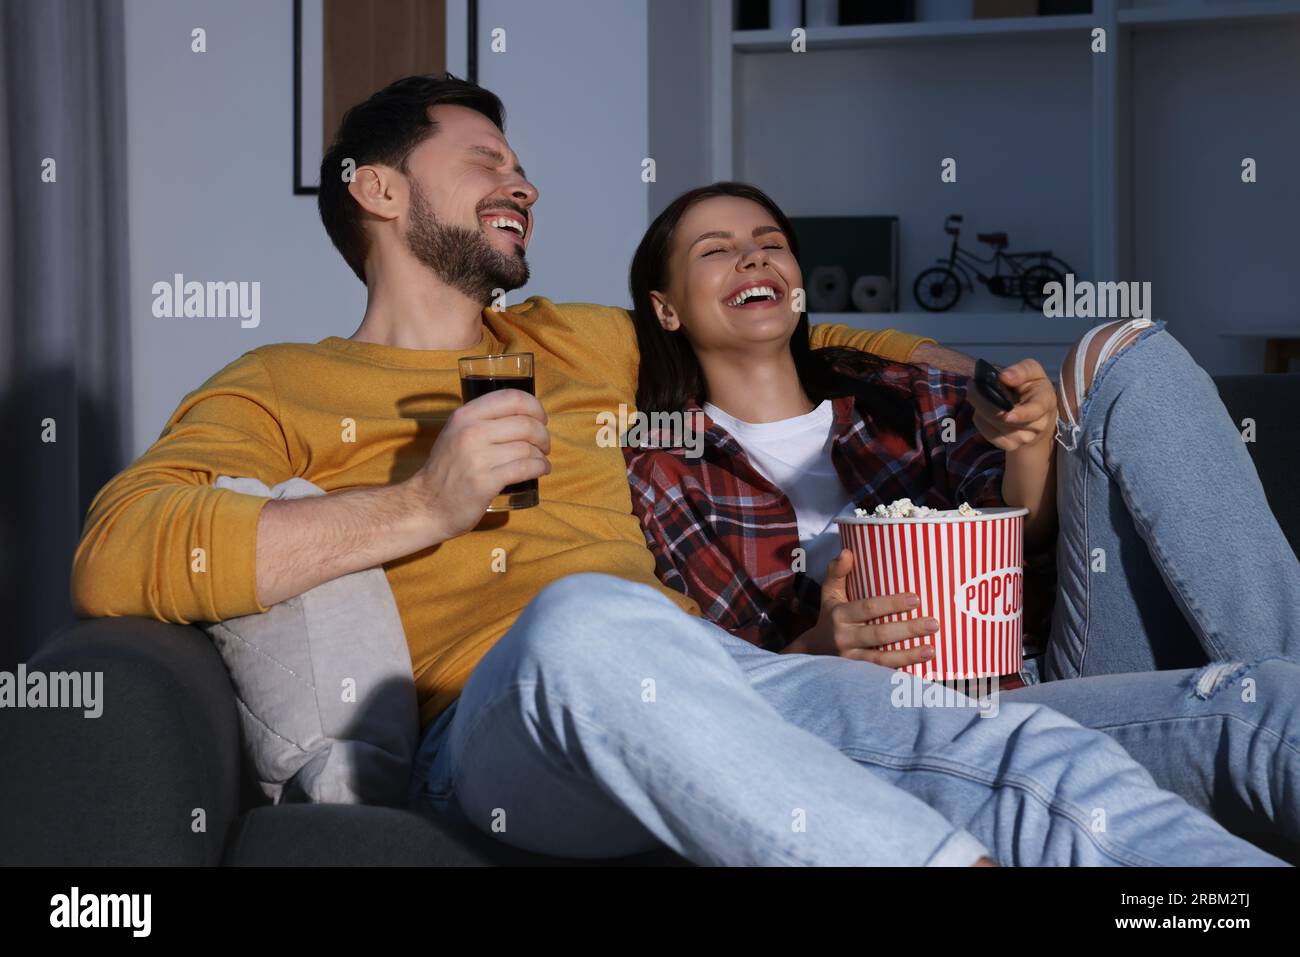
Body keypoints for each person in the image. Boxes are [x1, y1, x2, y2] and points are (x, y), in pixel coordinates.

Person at [72, 74, 1291, 865]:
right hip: (503, 734)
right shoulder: (281, 381)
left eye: (522, 166)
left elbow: (802, 336)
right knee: (587, 623)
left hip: (728, 684)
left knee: (1033, 747)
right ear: (381, 190)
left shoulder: (583, 343)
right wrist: (418, 502)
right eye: (485, 160)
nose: (524, 183)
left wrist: (964, 375)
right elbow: (121, 551)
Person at [623, 180, 1300, 858]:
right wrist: (817, 652)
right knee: (1262, 707)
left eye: (771, 244)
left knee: (1126, 350)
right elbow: (724, 682)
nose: (753, 258)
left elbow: (1026, 536)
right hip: (911, 731)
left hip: (1052, 668)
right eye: (717, 250)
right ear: (666, 308)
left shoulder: (902, 389)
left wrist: (1027, 443)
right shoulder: (665, 462)